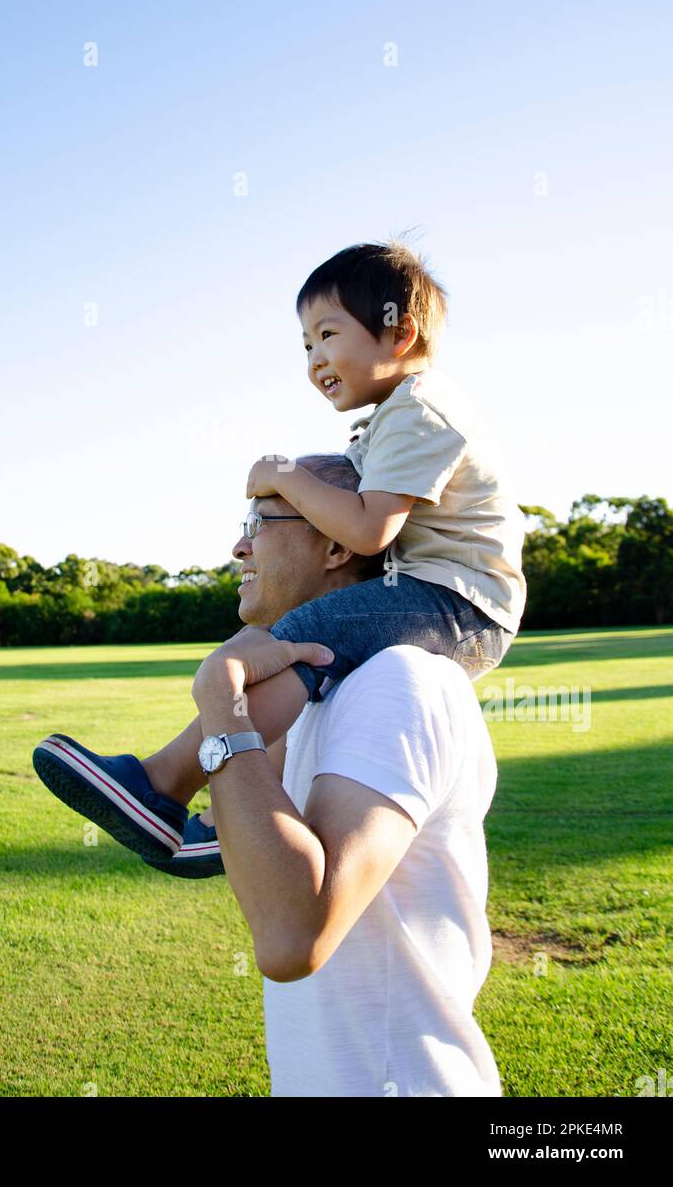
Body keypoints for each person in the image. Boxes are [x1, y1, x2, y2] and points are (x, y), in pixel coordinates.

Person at [32, 241, 525, 864]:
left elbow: (368, 532)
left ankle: (165, 783)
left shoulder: (421, 409)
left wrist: (286, 476)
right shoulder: (391, 418)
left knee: (303, 636)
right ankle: (218, 819)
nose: (315, 357)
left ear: (399, 331)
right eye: (306, 345)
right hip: (435, 593)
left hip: (458, 601)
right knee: (301, 662)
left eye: (327, 333)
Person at [37, 457, 505, 1096]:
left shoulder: (401, 679)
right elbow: (269, 852)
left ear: (339, 544)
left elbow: (291, 939)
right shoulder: (323, 692)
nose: (238, 545)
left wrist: (223, 707)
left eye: (260, 522)